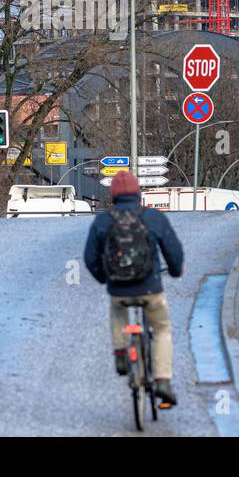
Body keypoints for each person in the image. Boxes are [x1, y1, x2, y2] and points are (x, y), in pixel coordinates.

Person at [83, 169, 184, 408]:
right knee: (161, 329)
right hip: (150, 289)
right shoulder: (152, 217)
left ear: (113, 194)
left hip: (118, 289)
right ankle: (162, 381)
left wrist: (104, 279)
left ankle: (120, 352)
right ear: (138, 192)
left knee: (117, 310)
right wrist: (175, 270)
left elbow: (89, 257)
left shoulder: (103, 220)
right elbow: (173, 250)